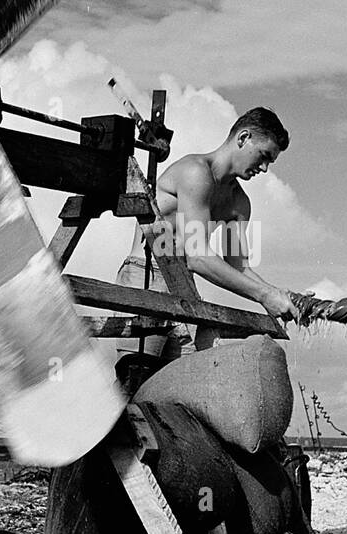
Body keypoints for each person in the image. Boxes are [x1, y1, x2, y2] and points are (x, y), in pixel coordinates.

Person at [114, 108, 298, 382]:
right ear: (243, 137)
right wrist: (263, 295)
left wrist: (279, 294)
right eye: (263, 156)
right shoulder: (195, 172)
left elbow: (240, 267)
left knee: (187, 390)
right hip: (147, 275)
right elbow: (197, 256)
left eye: (270, 162)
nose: (264, 169)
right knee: (136, 383)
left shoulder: (239, 203)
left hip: (185, 288)